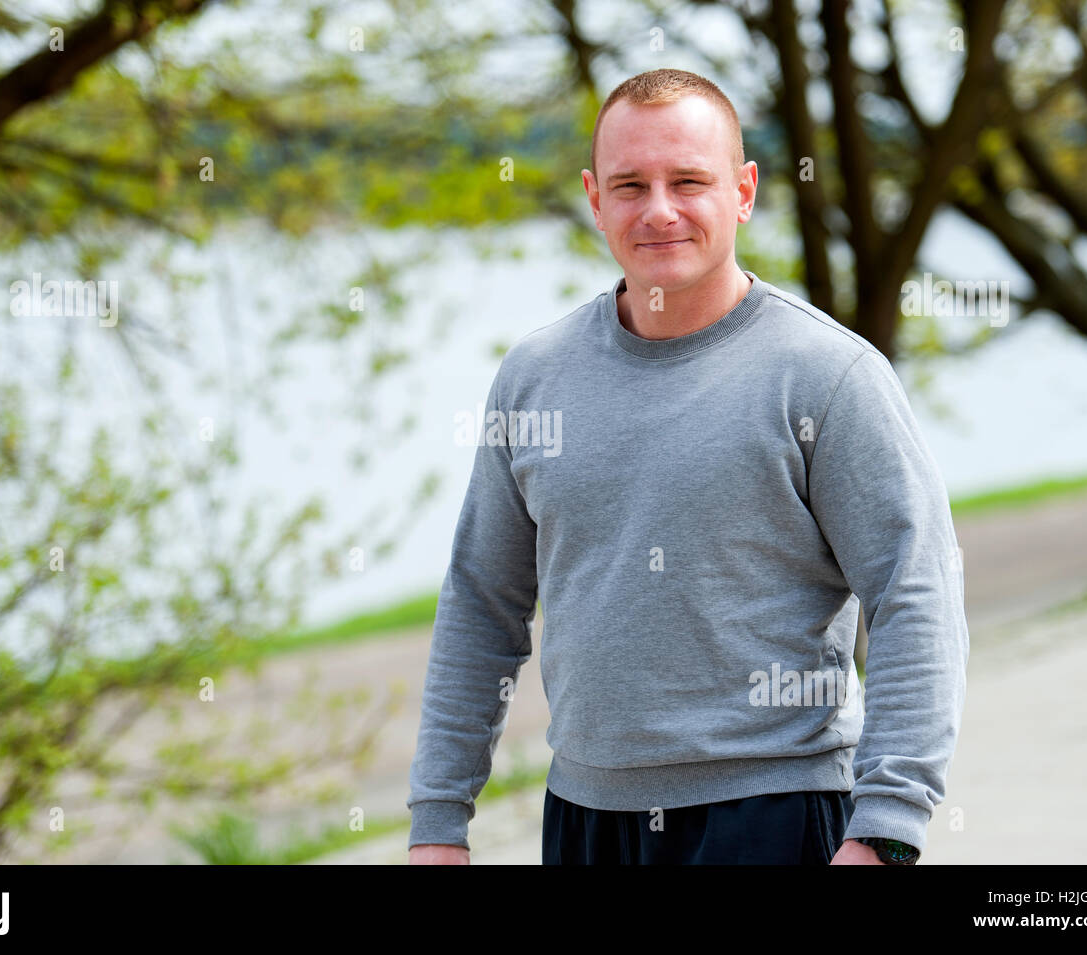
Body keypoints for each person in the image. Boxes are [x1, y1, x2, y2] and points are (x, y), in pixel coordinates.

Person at [407, 68, 968, 865]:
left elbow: (917, 594)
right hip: (584, 816)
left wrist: (886, 829)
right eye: (630, 185)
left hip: (775, 813)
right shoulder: (533, 377)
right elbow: (479, 605)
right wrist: (437, 819)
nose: (659, 209)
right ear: (595, 198)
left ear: (742, 191)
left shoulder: (826, 376)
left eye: (689, 181)